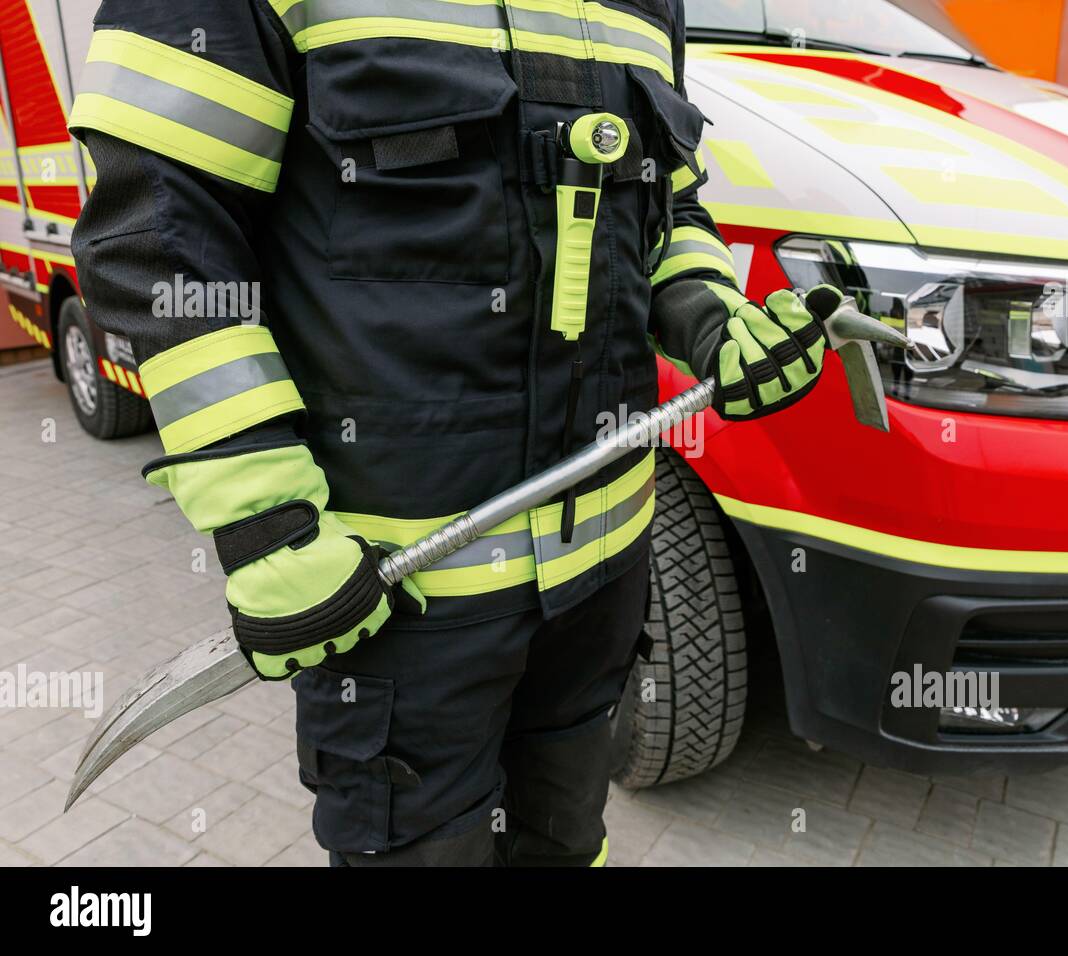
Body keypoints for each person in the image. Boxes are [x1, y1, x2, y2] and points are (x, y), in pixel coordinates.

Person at [69, 0, 826, 866]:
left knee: (567, 845)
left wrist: (710, 317)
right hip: (399, 599)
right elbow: (161, 238)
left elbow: (667, 208)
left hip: (604, 576)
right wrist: (264, 519)